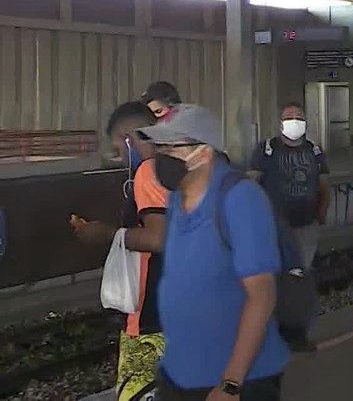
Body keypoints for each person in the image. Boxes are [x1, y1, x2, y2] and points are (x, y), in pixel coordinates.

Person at [139, 105, 289, 400]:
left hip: (237, 379)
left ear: (204, 153)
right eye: (159, 146)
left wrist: (230, 384)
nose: (161, 156)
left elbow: (261, 295)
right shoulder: (176, 199)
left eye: (172, 147)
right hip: (181, 373)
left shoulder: (240, 198)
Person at [72, 102, 169, 401]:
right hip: (181, 307)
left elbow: (157, 239)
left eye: (118, 146)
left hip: (150, 315)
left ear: (130, 138)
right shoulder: (178, 168)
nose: (119, 155)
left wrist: (106, 234)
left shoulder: (149, 173)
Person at [250, 103, 330, 275]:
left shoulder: (314, 151)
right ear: (280, 124)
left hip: (306, 224)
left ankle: (299, 300)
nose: (294, 122)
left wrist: (321, 214)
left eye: (299, 118)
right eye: (288, 118)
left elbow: (323, 184)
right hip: (274, 225)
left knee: (301, 271)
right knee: (275, 270)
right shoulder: (267, 149)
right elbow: (252, 183)